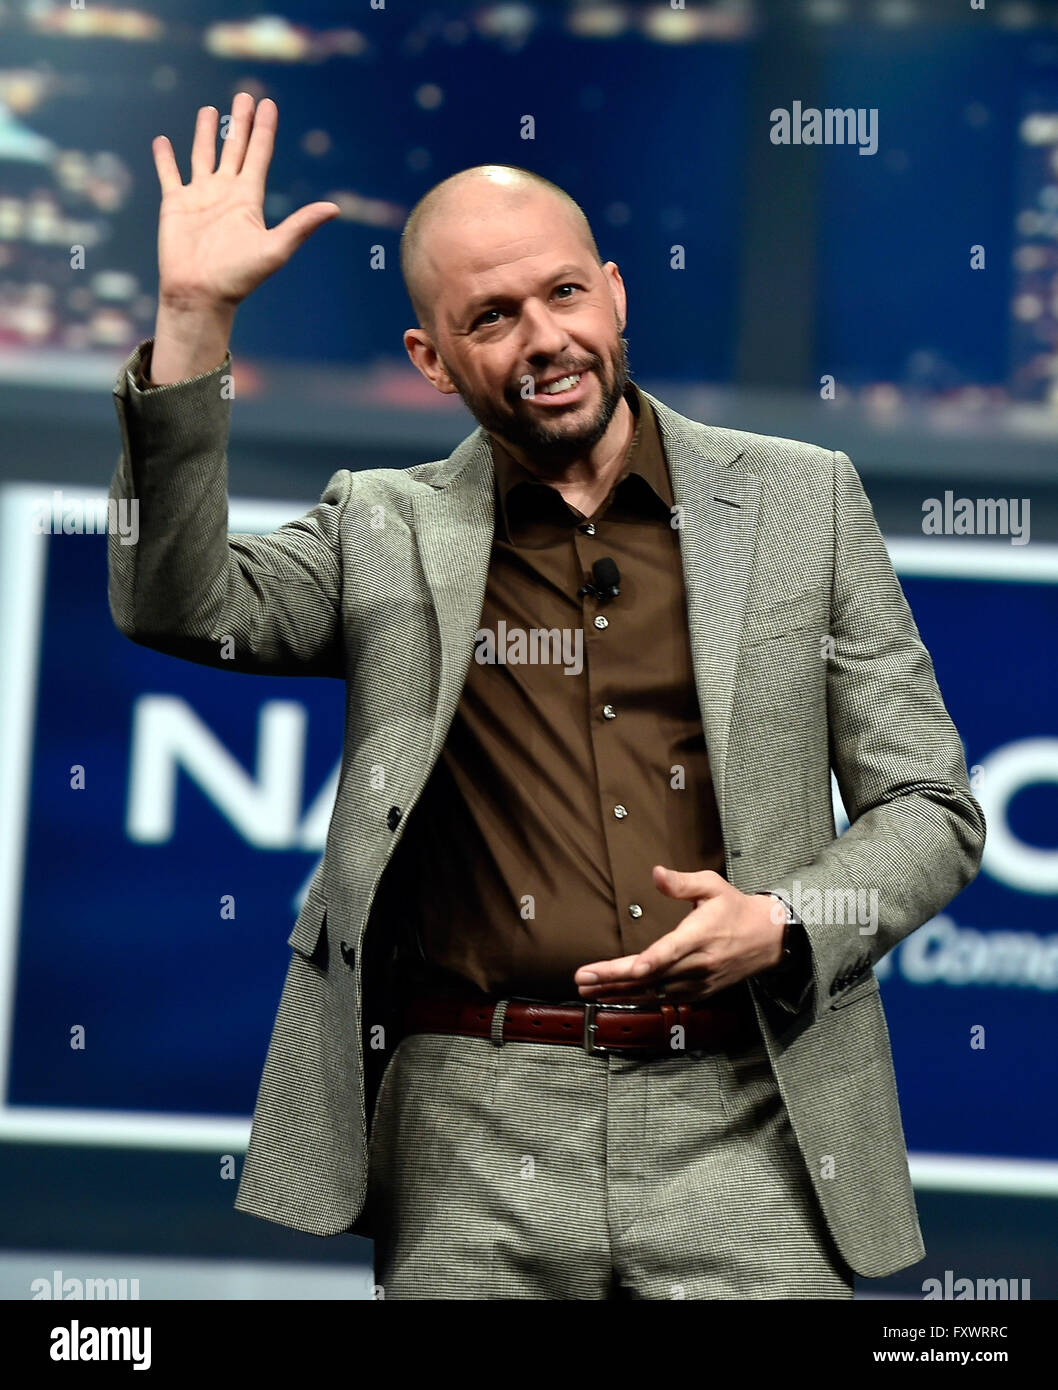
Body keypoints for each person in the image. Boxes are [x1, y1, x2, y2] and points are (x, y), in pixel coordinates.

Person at [107, 94, 986, 1300]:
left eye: (563, 294)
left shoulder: (801, 501)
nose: (543, 339)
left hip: (747, 1111)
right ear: (431, 358)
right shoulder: (381, 526)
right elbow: (177, 599)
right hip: (470, 1120)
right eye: (492, 316)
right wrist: (193, 321)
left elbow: (930, 805)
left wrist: (782, 920)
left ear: (615, 293)